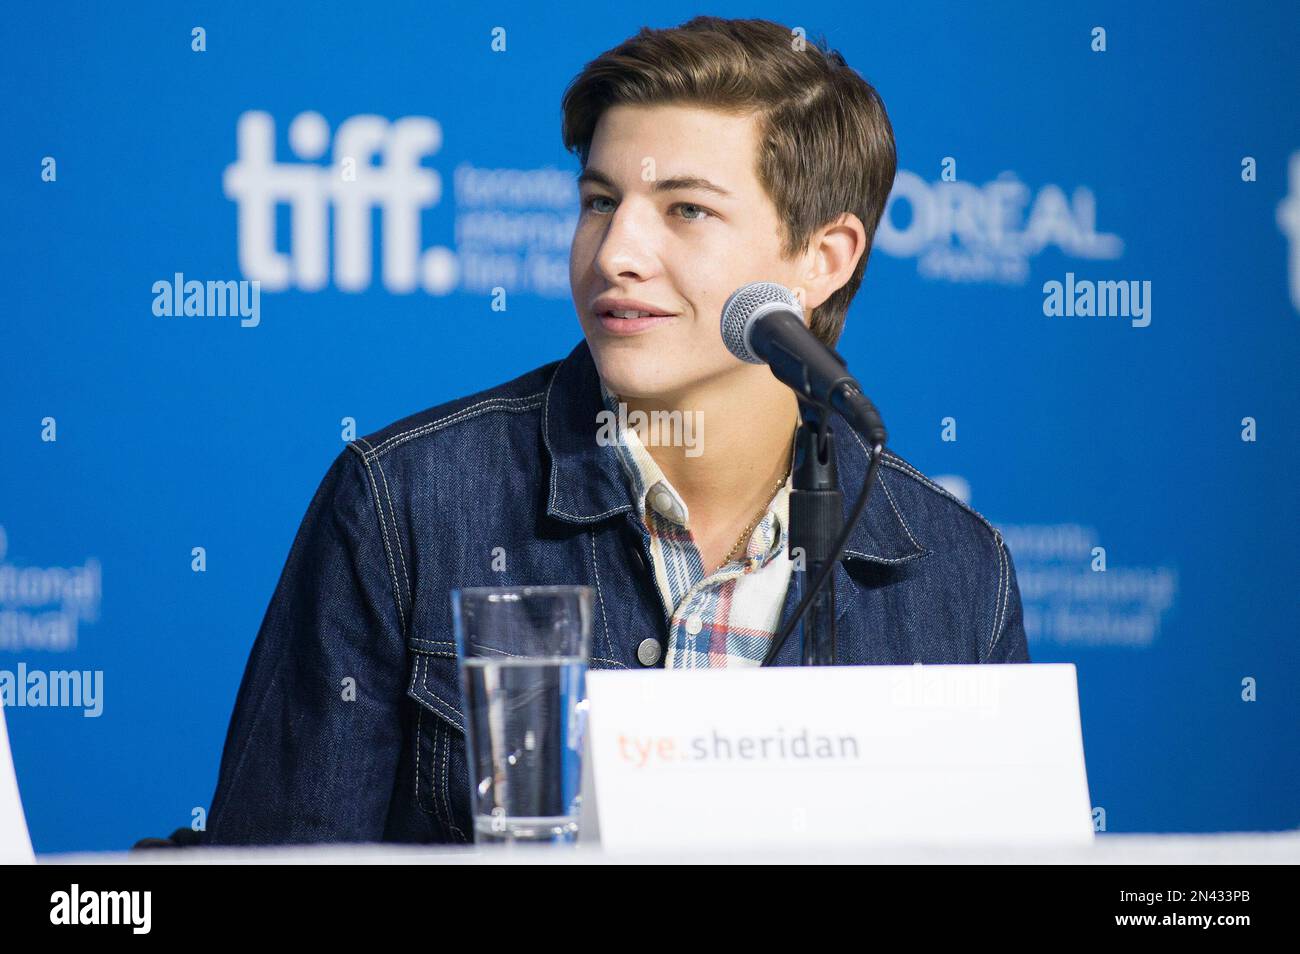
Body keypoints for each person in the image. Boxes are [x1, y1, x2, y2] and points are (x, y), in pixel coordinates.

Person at [206, 16, 1029, 846]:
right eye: (601, 201)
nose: (615, 253)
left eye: (687, 210)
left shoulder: (959, 572)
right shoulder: (403, 503)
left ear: (824, 257)